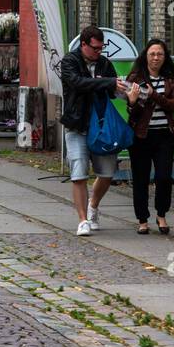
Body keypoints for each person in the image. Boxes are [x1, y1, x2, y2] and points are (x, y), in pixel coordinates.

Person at [60, 24, 128, 237]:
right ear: (83, 45)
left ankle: (93, 205)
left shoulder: (105, 64)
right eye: (95, 48)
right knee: (79, 174)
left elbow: (113, 91)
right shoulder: (70, 61)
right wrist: (105, 82)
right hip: (76, 125)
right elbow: (78, 84)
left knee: (107, 174)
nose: (99, 52)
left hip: (101, 127)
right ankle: (82, 220)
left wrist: (124, 91)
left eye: (101, 48)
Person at [125, 38, 174, 235]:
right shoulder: (135, 78)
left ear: (165, 57)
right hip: (141, 136)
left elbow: (173, 105)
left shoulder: (170, 79)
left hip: (164, 135)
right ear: (145, 57)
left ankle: (161, 214)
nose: (156, 58)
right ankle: (142, 219)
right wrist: (132, 102)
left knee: (164, 177)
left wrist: (153, 95)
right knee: (141, 178)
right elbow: (132, 112)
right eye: (152, 54)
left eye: (160, 54)